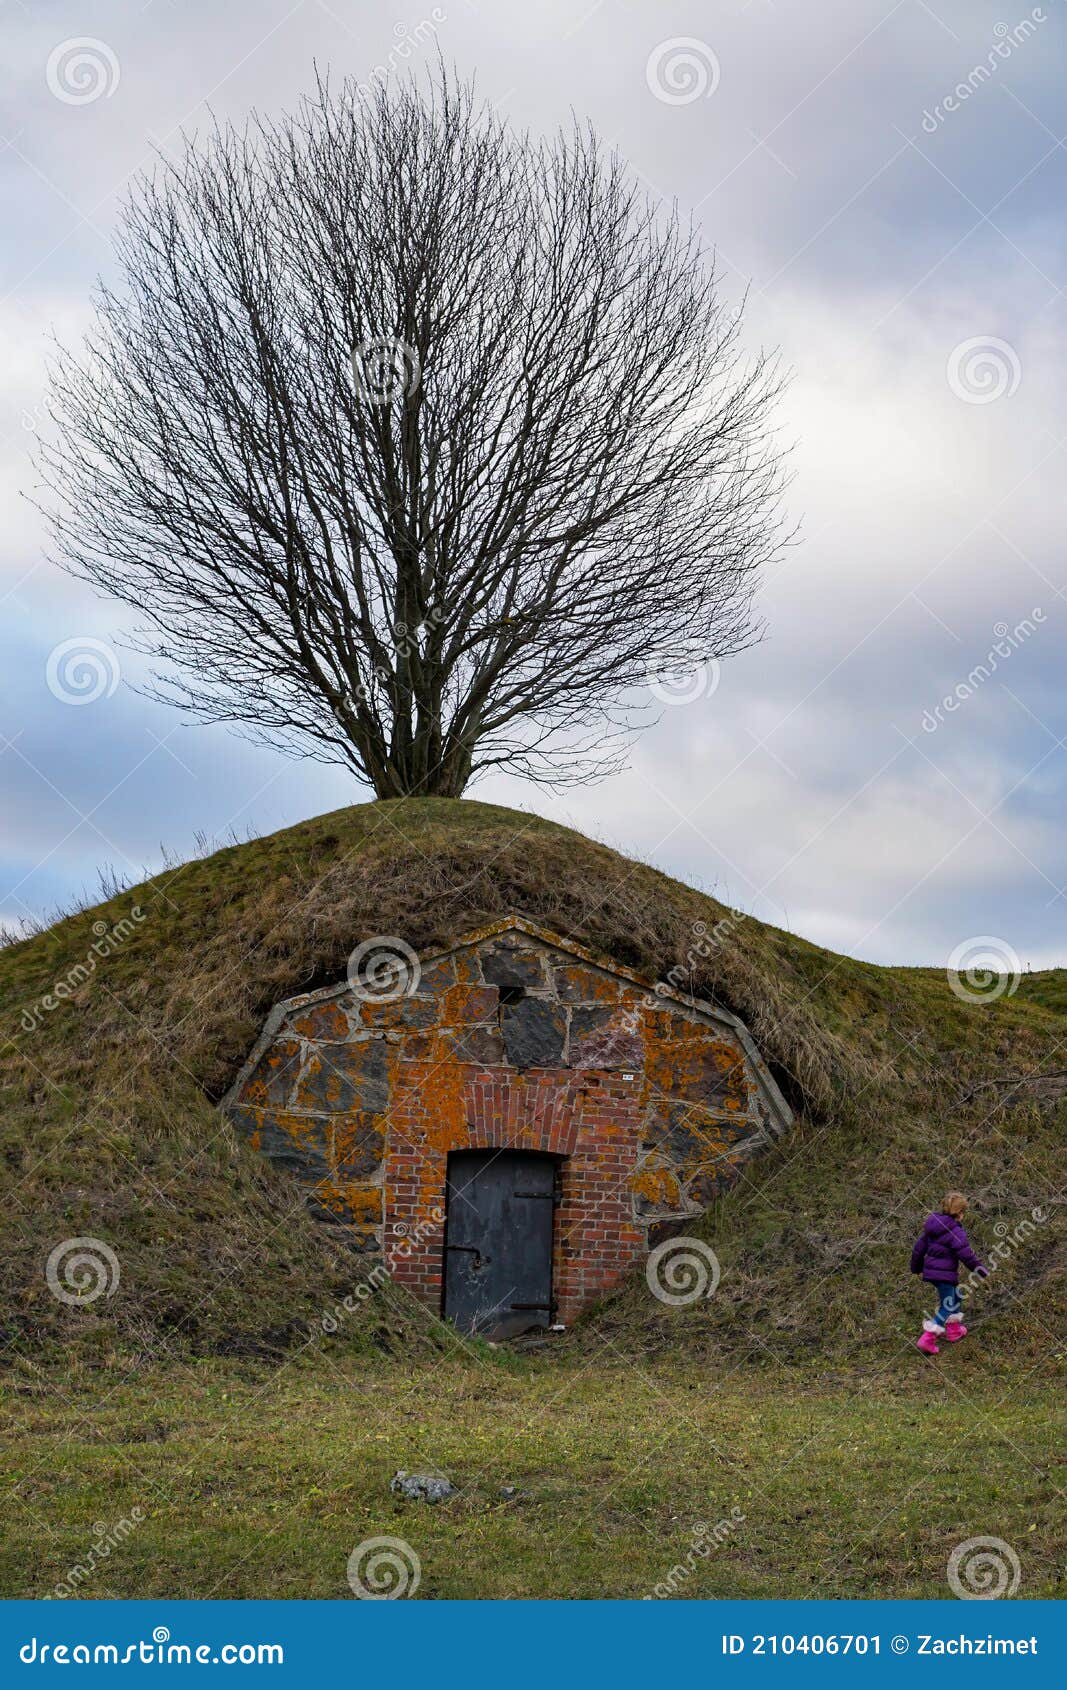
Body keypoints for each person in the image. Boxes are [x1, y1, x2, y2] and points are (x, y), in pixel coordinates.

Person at [910, 1192, 986, 1354]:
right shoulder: (955, 1231)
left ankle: (954, 1331)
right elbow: (966, 1254)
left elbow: (918, 1249)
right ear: (960, 1213)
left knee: (956, 1296)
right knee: (948, 1304)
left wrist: (916, 1268)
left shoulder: (932, 1227)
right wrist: (980, 1269)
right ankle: (927, 1338)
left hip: (934, 1272)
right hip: (943, 1274)